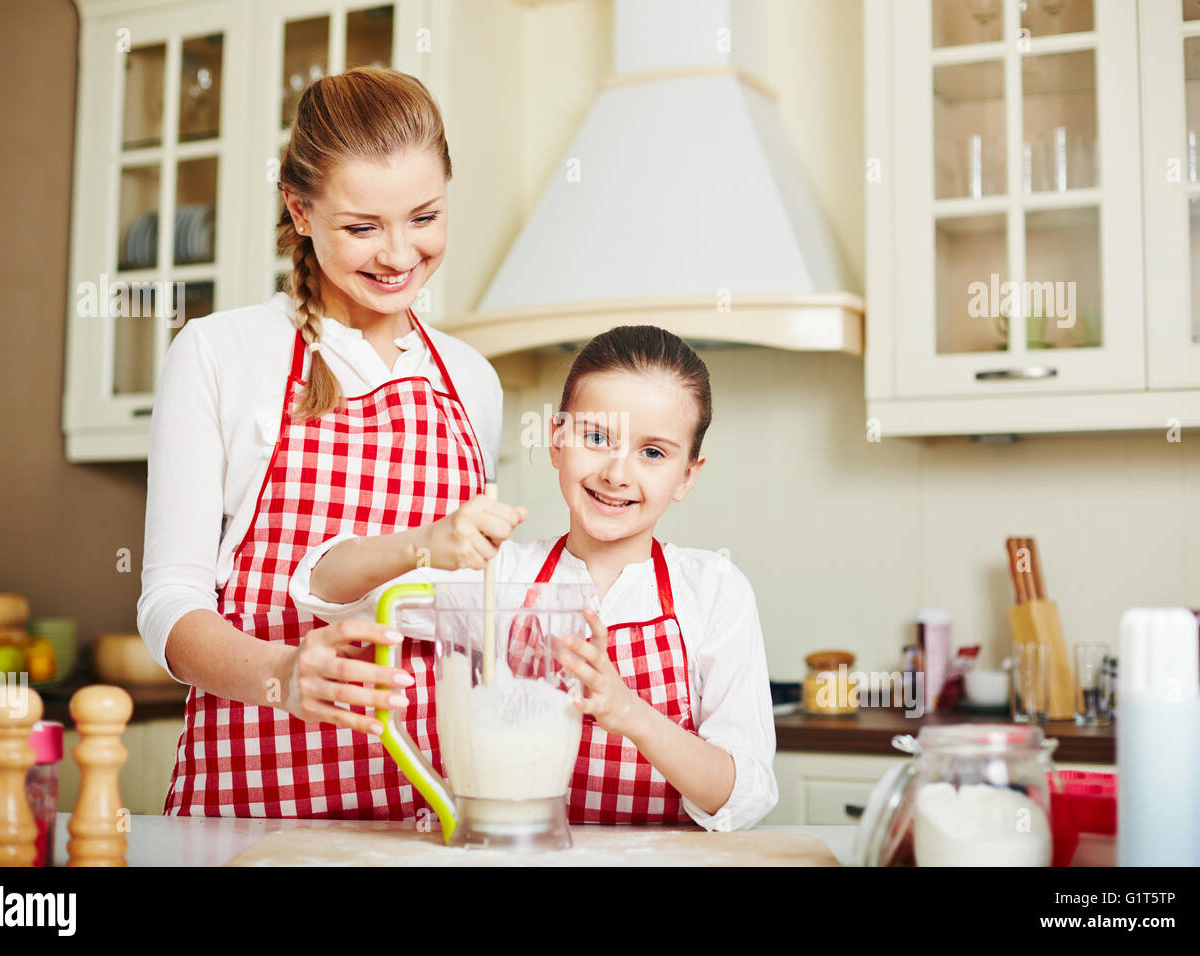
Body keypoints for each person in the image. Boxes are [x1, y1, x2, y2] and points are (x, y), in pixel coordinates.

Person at [138, 67, 527, 818]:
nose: (397, 254)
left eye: (424, 217)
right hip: (254, 800)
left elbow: (459, 600)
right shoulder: (222, 353)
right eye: (361, 227)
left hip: (429, 808)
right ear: (300, 210)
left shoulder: (471, 381)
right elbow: (169, 606)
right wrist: (285, 672)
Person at [294, 325, 778, 830]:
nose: (617, 473)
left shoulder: (714, 589)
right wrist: (427, 542)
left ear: (687, 476)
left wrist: (629, 712)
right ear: (557, 441)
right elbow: (327, 588)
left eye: (652, 452)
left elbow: (743, 794)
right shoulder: (500, 579)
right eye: (596, 437)